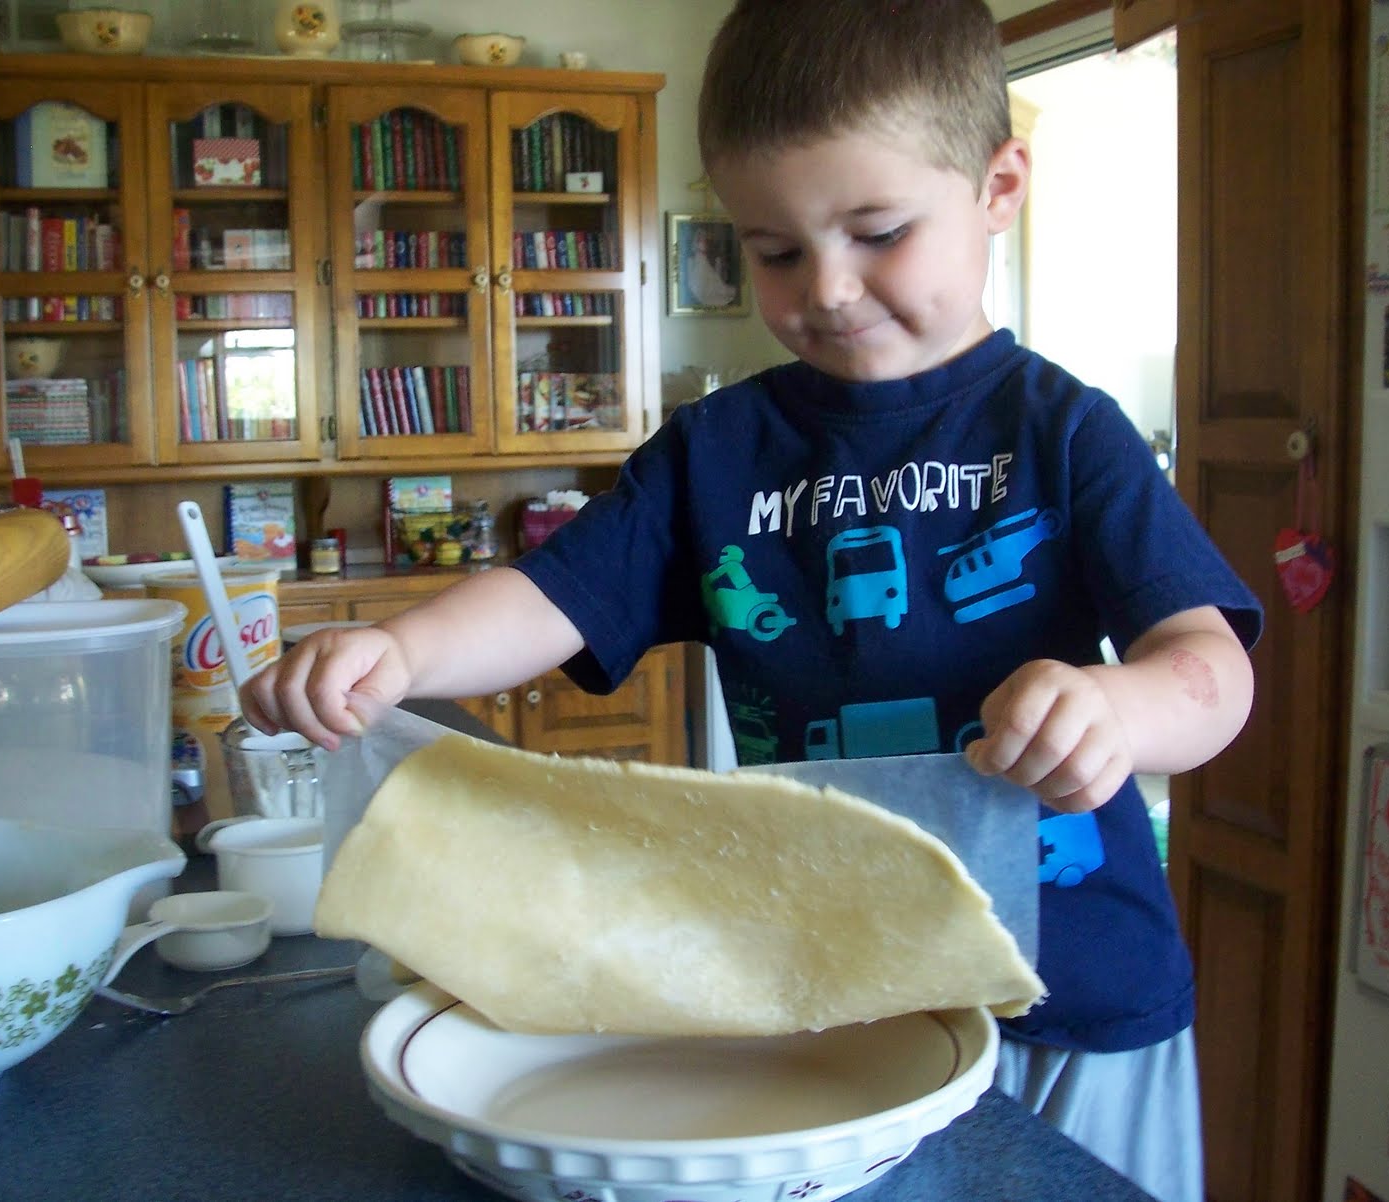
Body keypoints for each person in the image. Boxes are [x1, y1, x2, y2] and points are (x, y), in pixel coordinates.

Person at [241, 4, 1261, 1199]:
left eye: (876, 232)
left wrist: (1120, 712)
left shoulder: (1065, 433)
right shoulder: (714, 450)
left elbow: (1210, 664)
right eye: (773, 250)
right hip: (824, 995)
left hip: (1070, 996)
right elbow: (553, 593)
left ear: (998, 186)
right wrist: (398, 653)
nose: (826, 289)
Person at [685, 224, 738, 307]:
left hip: (704, 262)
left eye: (705, 240)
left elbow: (709, 255)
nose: (705, 242)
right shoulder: (696, 255)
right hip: (700, 266)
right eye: (703, 240)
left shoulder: (707, 254)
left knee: (714, 279)